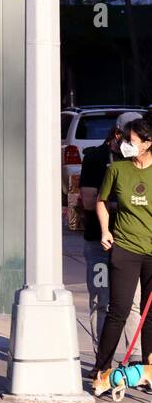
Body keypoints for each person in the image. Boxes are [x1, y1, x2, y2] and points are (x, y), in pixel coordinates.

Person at [93, 117, 152, 386]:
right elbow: (102, 201)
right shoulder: (117, 169)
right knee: (119, 309)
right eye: (124, 140)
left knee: (150, 313)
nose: (126, 144)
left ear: (147, 144)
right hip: (125, 248)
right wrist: (106, 231)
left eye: (132, 141)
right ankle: (102, 370)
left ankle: (147, 370)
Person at [78, 111, 142, 346]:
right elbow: (88, 199)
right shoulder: (95, 157)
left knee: (133, 303)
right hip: (99, 242)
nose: (135, 143)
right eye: (131, 137)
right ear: (117, 134)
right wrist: (125, 203)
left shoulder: (138, 161)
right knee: (101, 299)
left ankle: (135, 359)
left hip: (131, 243)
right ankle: (102, 362)